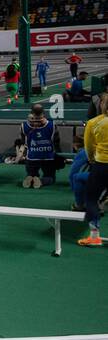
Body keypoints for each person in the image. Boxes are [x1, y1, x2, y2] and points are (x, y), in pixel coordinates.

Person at [78, 102, 107, 247]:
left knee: (91, 198)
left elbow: (88, 146)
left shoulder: (93, 123)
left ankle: (94, 236)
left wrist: (91, 160)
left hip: (101, 165)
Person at [20, 104, 57, 188]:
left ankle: (31, 177)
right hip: (48, 157)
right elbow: (56, 141)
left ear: (31, 112)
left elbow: (23, 141)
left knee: (31, 173)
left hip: (32, 156)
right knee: (50, 177)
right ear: (43, 112)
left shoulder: (24, 125)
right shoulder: (51, 125)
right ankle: (41, 181)